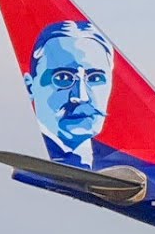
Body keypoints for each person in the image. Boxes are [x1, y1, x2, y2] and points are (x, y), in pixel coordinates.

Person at [23, 20, 115, 168]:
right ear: (30, 87)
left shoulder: (121, 162)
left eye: (95, 78)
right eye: (63, 78)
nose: (81, 97)